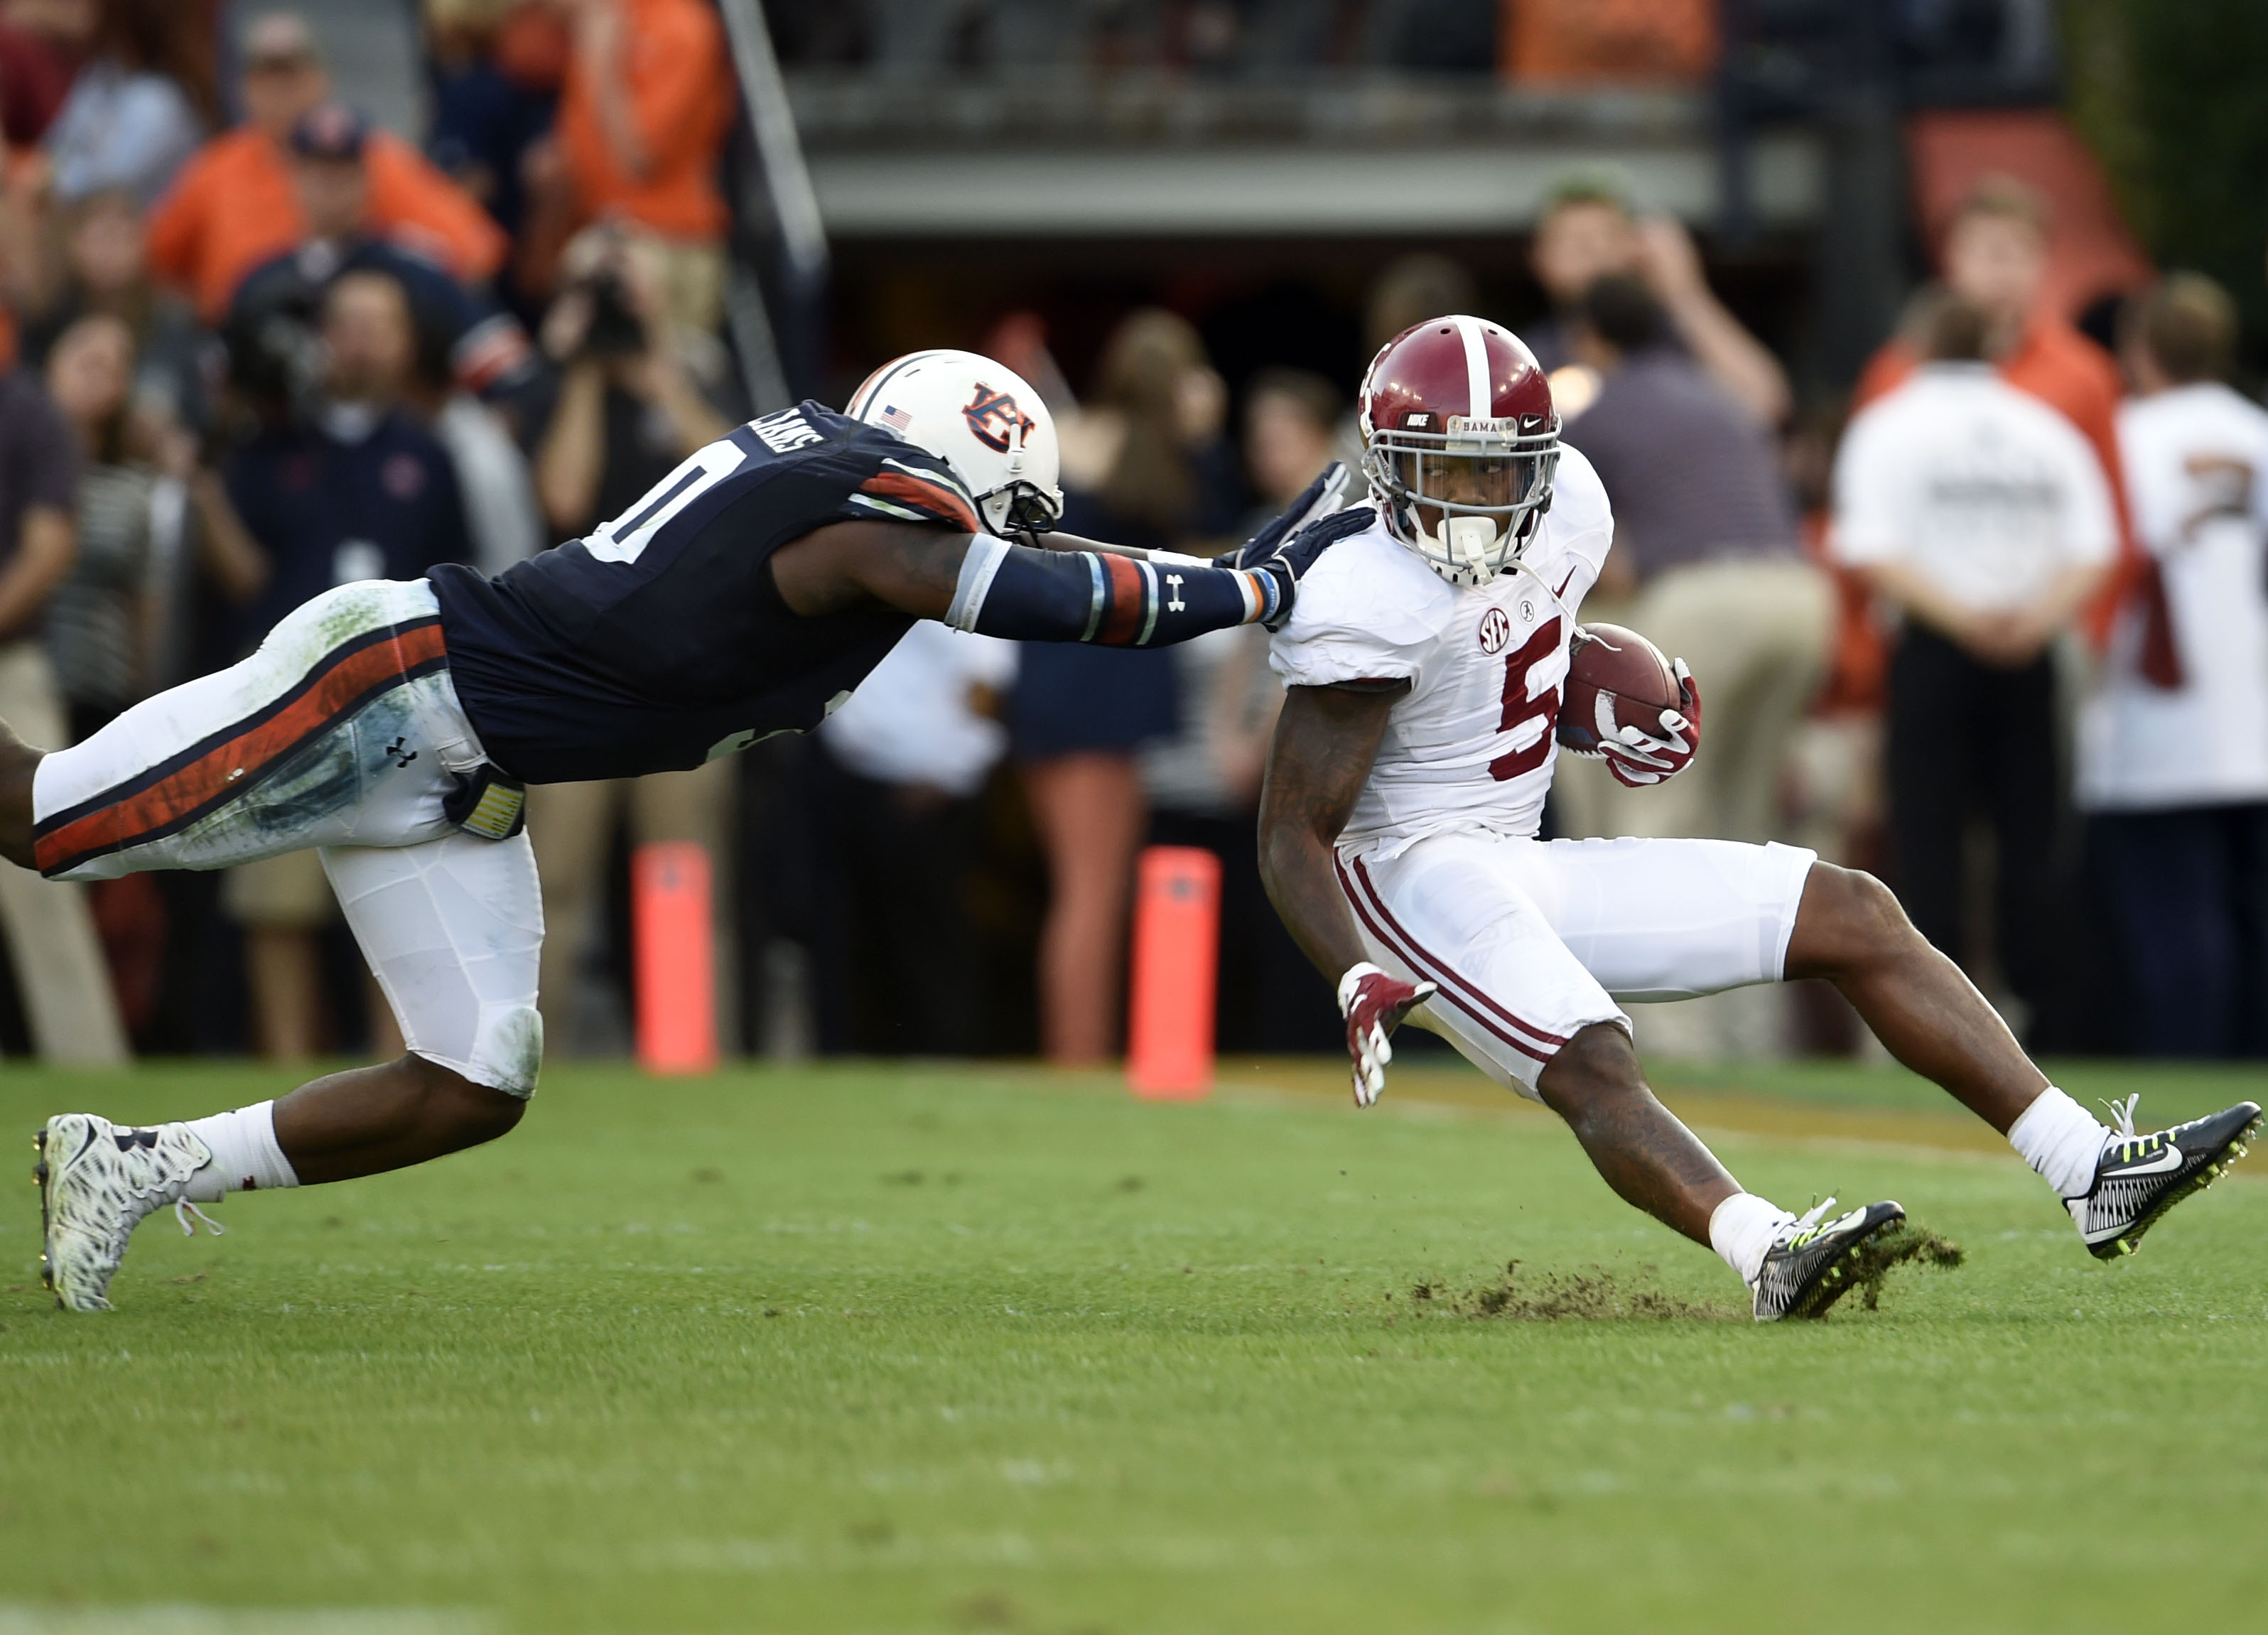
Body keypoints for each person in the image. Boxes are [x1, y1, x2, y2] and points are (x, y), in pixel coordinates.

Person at [19, 347, 1355, 1310]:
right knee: (45, 823)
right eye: (1002, 520)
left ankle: (133, 1164)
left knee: (477, 1077)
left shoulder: (829, 474)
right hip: (388, 689)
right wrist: (1251, 586)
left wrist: (1246, 575)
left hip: (455, 765)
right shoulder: (866, 521)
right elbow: (1040, 597)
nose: (994, 545)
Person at [1256, 313, 2260, 1323]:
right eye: (1448, 469)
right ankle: (1766, 1249)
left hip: (1519, 856)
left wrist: (1592, 712)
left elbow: (1486, 672)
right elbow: (1291, 831)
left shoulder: (1571, 514)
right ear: (1389, 465)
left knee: (1855, 912)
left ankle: (2087, 1168)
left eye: (1498, 470)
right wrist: (1357, 969)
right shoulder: (1359, 588)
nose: (1474, 498)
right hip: (1407, 880)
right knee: (1592, 1052)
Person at [1832, 295, 2117, 1040]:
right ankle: (2052, 1018)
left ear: (1917, 343)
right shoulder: (2042, 428)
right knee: (2035, 837)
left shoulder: (1888, 425)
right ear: (1997, 343)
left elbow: (1869, 549)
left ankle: (1934, 1022)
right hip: (2029, 647)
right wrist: (2032, 620)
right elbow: (2095, 547)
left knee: (1930, 839)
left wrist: (1962, 619)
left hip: (1934, 647)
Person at [214, 268, 477, 1062]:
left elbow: (455, 589)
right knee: (278, 901)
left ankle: (398, 1076)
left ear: (406, 344)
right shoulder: (267, 448)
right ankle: (288, 1075)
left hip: (396, 708)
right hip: (285, 702)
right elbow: (239, 578)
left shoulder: (430, 456)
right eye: (345, 321)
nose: (359, 338)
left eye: (379, 322)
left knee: (396, 894)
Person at [522, 222, 737, 1054]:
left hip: (685, 666)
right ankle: (529, 1064)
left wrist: (658, 374)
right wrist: (584, 372)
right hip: (579, 665)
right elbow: (564, 498)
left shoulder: (697, 373)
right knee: (558, 877)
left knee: (682, 868)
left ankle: (690, 1054)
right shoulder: (553, 385)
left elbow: (738, 481)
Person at [1014, 310, 1235, 1064]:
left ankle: (1078, 1045)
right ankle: (1079, 1053)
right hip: (1102, 693)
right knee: (1093, 890)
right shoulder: (1159, 460)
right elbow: (1209, 535)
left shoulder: (1064, 442)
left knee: (1076, 886)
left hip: (1044, 681)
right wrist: (1202, 438)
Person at [1555, 276, 1831, 845]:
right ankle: (1752, 936)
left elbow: (1571, 538)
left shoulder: (1604, 409)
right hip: (1802, 597)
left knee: (1658, 800)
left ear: (1590, 337)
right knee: (1749, 814)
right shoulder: (1718, 395)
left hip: (1707, 599)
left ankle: (1642, 935)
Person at [2078, 275, 2268, 1057]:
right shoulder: (2257, 432)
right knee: (2250, 919)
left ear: (2140, 349)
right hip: (2253, 714)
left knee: (2173, 922)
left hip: (2152, 718)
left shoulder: (2123, 436)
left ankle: (2191, 1073)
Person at [1852, 175, 2132, 641]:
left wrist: (2091, 629)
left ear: (2043, 262)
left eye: (2018, 251)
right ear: (1951, 261)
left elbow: (2113, 514)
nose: (2001, 270)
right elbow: (1865, 511)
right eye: (1987, 251)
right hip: (1927, 627)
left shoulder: (2085, 375)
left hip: (2049, 628)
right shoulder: (1897, 373)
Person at [145, 11, 506, 322]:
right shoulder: (217, 167)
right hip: (244, 348)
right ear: (244, 88)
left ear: (321, 78)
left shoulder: (370, 156)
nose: (280, 92)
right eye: (267, 78)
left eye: (293, 75)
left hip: (354, 350)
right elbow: (154, 265)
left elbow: (474, 253)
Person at [0, 355, 131, 1064]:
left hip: (9, 666)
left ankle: (89, 1064)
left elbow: (49, 549)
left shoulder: (26, 410)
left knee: (42, 858)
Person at [226, 104, 533, 406]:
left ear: (368, 177)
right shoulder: (262, 279)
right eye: (317, 171)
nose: (331, 185)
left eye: (344, 171)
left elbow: (506, 368)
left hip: (401, 443)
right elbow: (225, 391)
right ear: (293, 177)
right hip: (293, 447)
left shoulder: (413, 268)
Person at [813, 620, 1015, 1054]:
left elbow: (988, 681)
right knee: (851, 937)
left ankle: (945, 1054)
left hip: (925, 788)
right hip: (849, 778)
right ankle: (863, 1053)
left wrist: (951, 768)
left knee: (930, 937)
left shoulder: (949, 570)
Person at [1523, 174, 1790, 427]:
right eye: (1572, 241)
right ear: (1540, 259)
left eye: (1606, 237)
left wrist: (1684, 291)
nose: (1591, 252)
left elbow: (1765, 404)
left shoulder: (1667, 341)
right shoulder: (1526, 360)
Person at [536, 0, 733, 334]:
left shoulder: (681, 25)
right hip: (603, 230)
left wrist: (603, 61)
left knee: (660, 377)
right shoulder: (604, 18)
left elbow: (639, 159)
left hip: (666, 244)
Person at [40, 0, 213, 209]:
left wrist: (45, 178)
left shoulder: (159, 103)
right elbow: (53, 148)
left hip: (138, 235)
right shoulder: (102, 74)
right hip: (80, 224)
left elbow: (98, 192)